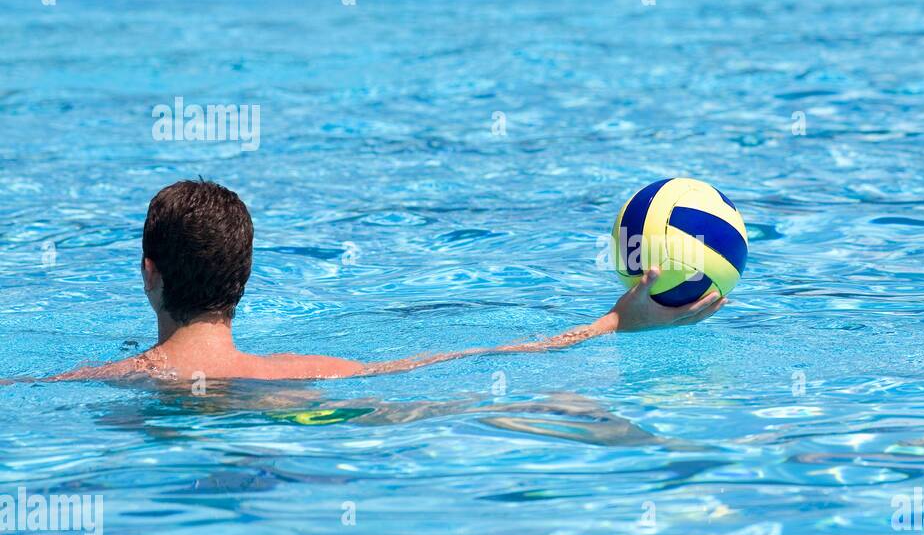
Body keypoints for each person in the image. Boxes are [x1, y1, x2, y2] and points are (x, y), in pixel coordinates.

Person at [52, 179, 724, 383]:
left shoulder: (94, 381)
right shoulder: (304, 374)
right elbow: (474, 361)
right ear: (244, 278)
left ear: (150, 274)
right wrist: (612, 324)